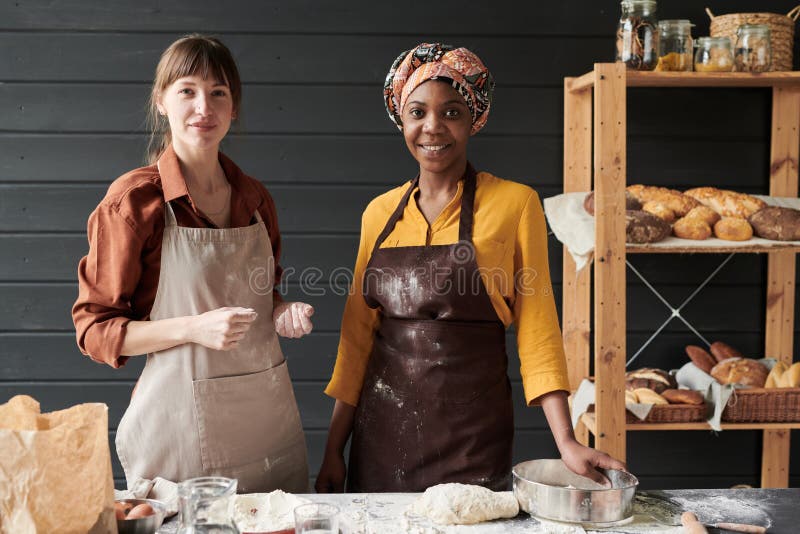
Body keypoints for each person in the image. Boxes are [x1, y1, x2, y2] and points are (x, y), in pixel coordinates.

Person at [315, 43, 624, 493]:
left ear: (474, 119)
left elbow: (537, 332)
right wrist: (332, 452)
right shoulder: (377, 213)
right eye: (417, 112)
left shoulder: (515, 204)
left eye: (452, 112)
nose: (432, 127)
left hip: (473, 438)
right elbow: (356, 342)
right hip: (382, 436)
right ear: (402, 119)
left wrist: (567, 442)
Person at [72, 35, 312, 493]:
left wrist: (282, 311)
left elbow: (265, 291)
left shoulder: (255, 199)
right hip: (180, 434)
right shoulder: (133, 201)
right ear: (161, 101)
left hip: (265, 428)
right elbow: (94, 331)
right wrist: (193, 329)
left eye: (218, 92)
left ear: (233, 107)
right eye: (187, 90)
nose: (204, 105)